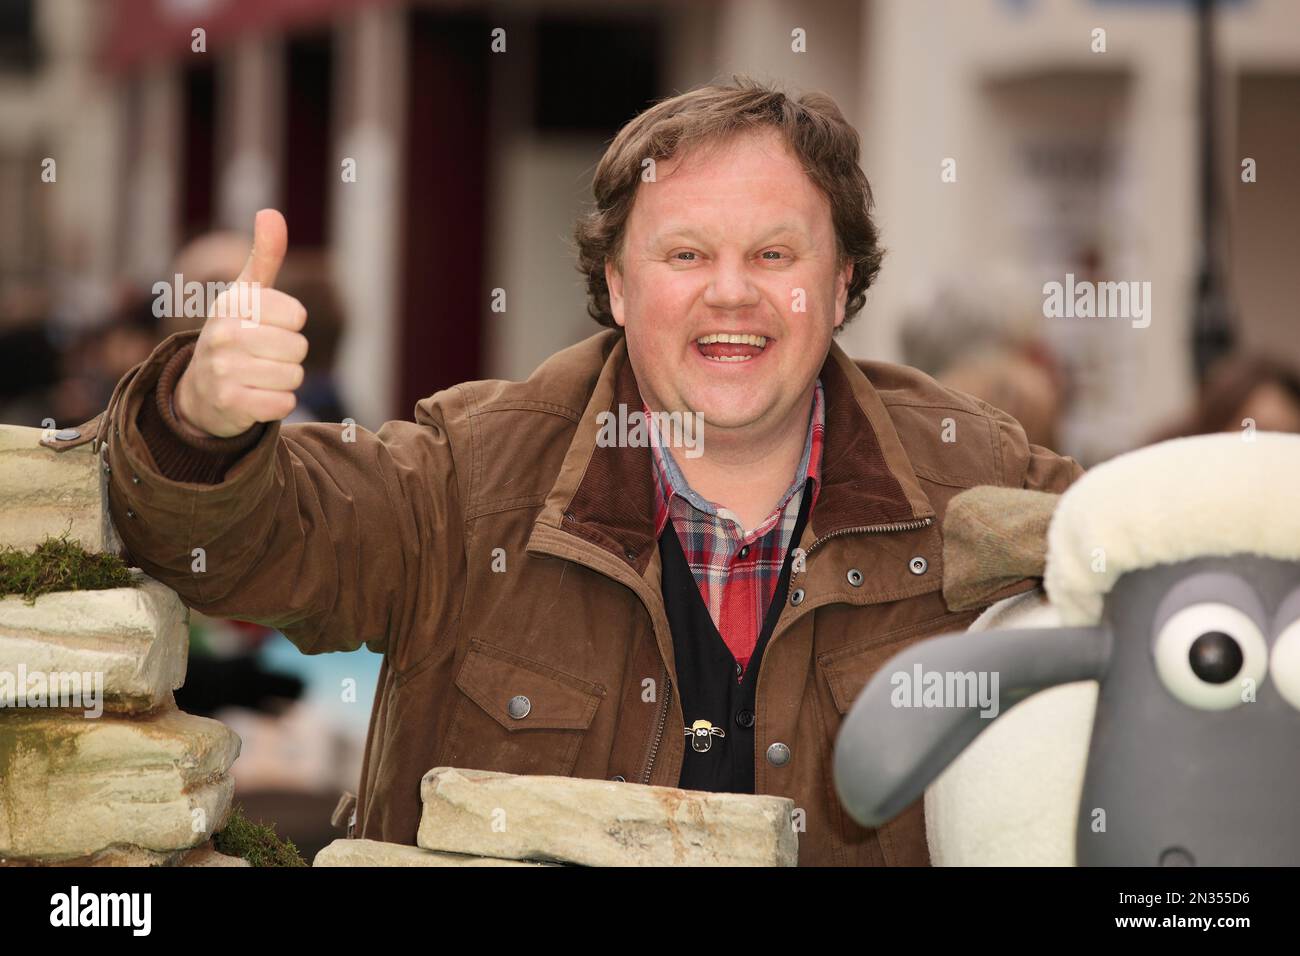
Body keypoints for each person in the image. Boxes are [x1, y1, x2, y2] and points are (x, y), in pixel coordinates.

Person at [47, 78, 1084, 866]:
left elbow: (1166, 578)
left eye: (775, 255)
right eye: (684, 255)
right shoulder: (469, 477)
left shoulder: (977, 480)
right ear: (619, 284)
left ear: (842, 279)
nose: (732, 295)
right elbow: (246, 541)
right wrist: (201, 418)